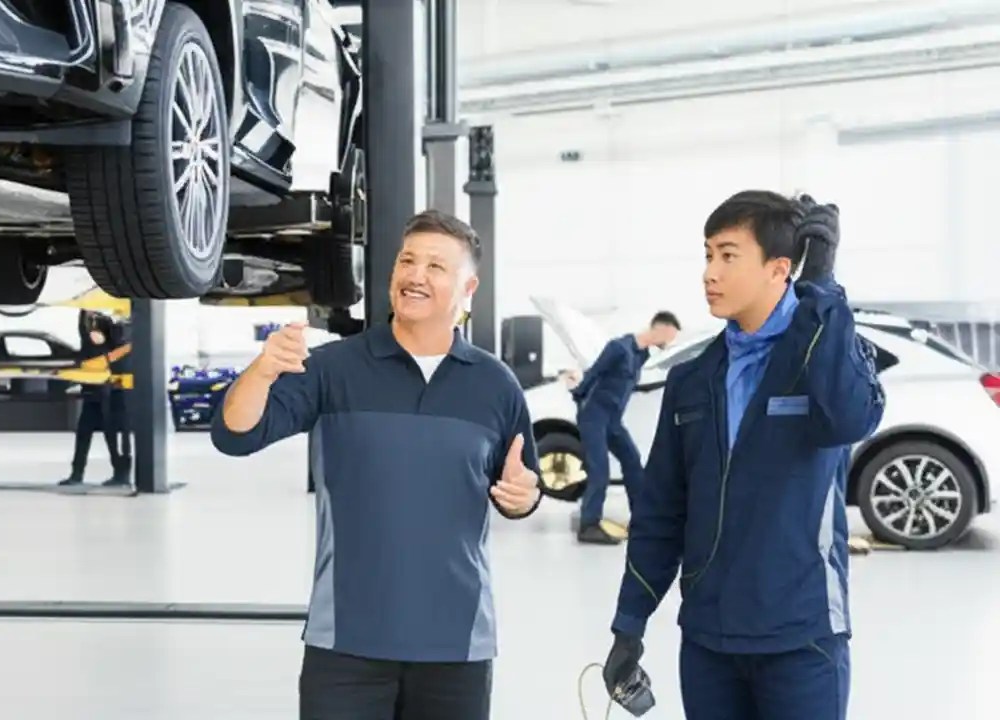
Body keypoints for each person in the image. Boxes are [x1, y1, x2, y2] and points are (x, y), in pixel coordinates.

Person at [210, 209, 542, 720]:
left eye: (435, 266)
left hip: (456, 646)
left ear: (467, 286)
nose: (414, 275)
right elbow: (235, 435)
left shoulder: (495, 385)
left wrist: (526, 498)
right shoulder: (332, 368)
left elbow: (521, 486)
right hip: (345, 642)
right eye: (407, 260)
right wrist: (261, 371)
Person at [601, 190, 885, 720]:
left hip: (801, 640)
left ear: (780, 269)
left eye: (728, 255)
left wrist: (822, 287)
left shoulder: (822, 356)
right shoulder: (690, 381)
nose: (710, 272)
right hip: (709, 644)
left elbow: (851, 417)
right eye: (707, 254)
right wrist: (629, 623)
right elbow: (662, 513)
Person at [571, 311, 681, 545]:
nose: (669, 343)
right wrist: (579, 396)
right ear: (659, 329)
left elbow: (625, 385)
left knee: (632, 461)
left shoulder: (640, 356)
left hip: (612, 419)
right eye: (669, 336)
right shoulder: (618, 348)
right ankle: (588, 525)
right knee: (599, 470)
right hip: (595, 416)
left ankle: (643, 520)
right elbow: (594, 373)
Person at [58, 310, 131, 487]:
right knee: (84, 433)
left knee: (112, 434)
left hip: (107, 387)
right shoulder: (86, 320)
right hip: (91, 387)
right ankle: (77, 473)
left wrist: (106, 355)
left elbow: (122, 345)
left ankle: (121, 474)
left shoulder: (109, 322)